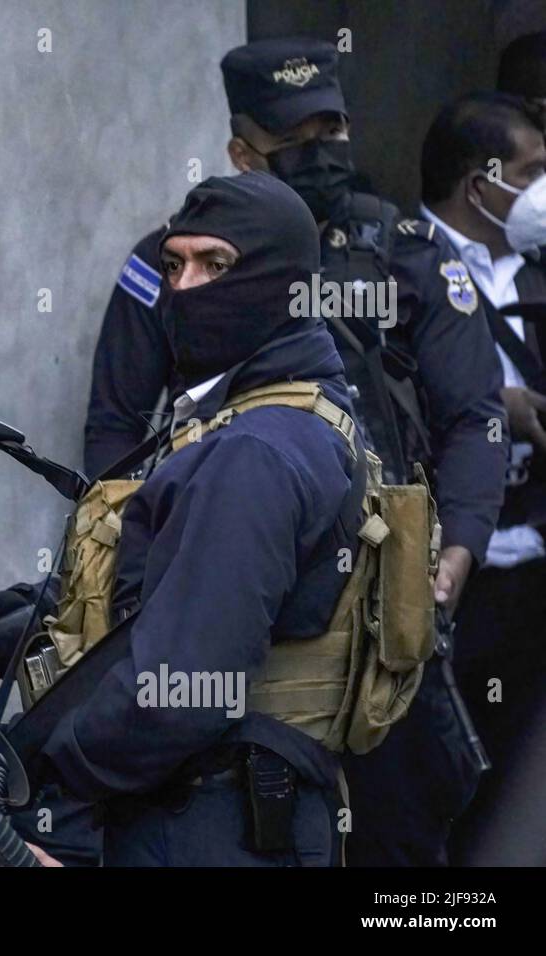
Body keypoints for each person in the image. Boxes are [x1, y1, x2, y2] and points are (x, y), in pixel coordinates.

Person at [78, 37, 506, 866]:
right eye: (294, 139)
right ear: (244, 150)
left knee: (403, 839)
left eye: (331, 129)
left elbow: (472, 417)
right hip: (229, 604)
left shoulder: (402, 247)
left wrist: (457, 552)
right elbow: (117, 426)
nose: (320, 153)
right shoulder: (178, 261)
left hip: (385, 602)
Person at [26, 171, 372, 866]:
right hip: (234, 808)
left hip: (207, 820)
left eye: (216, 264)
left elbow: (179, 694)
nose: (184, 289)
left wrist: (35, 764)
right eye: (174, 264)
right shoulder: (298, 411)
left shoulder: (253, 451)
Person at [419, 91, 546, 864]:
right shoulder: (392, 272)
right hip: (443, 581)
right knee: (440, 791)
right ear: (481, 183)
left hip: (534, 569)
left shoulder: (535, 273)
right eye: (532, 172)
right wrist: (479, 400)